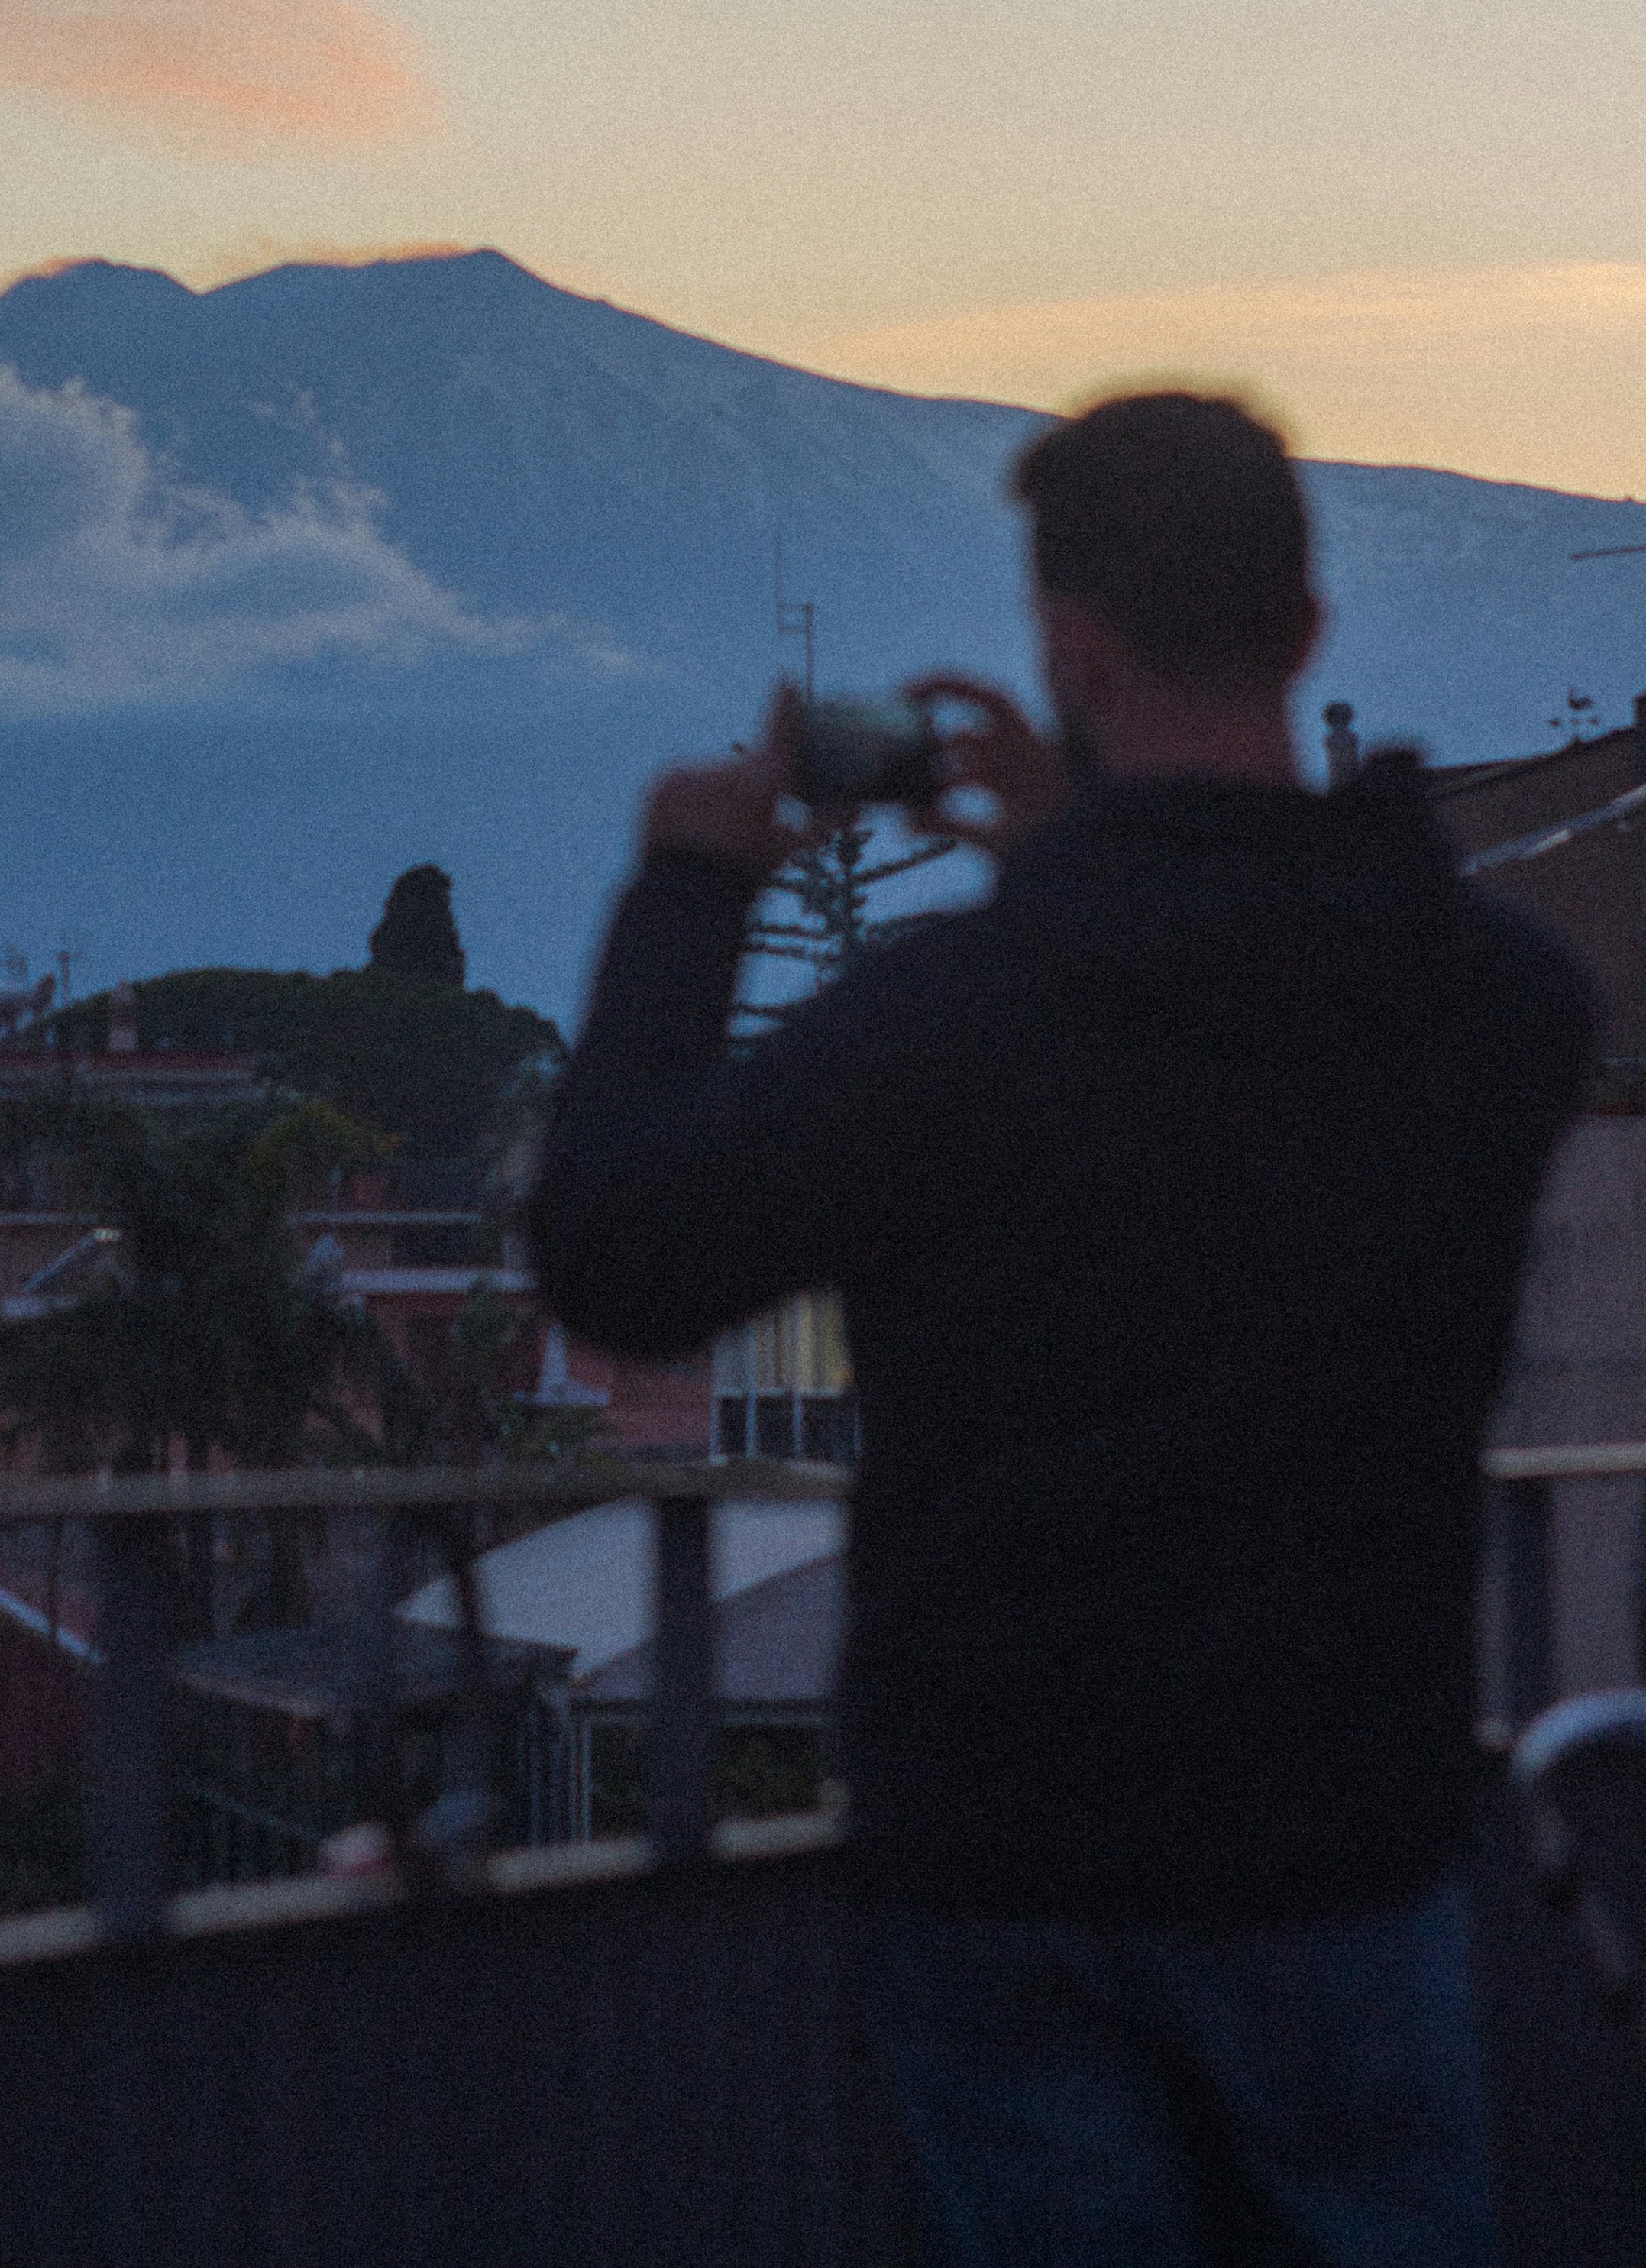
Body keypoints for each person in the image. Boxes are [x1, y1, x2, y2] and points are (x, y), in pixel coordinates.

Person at [528, 391, 1590, 2267]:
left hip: (1009, 1853)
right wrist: (1094, 848)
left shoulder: (956, 1013)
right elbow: (1233, 995)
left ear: (1074, 651)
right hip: (1345, 1840)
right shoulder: (1504, 1005)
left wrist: (693, 886)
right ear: (1306, 628)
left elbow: (620, 1258)